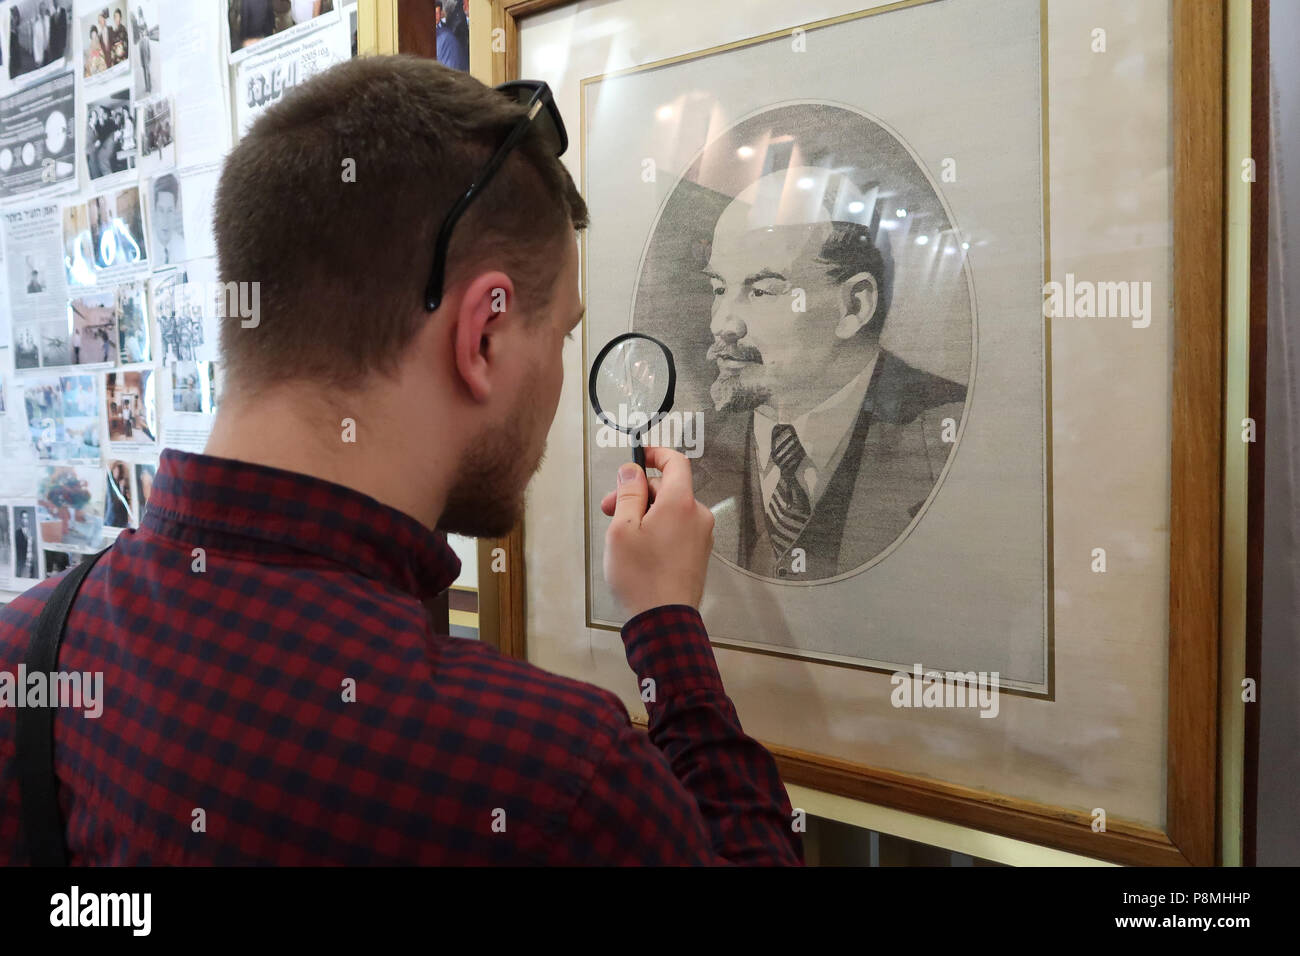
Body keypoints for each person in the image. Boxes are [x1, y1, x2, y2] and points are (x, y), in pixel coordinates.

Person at [0, 56, 800, 866]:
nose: (560, 371)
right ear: (482, 337)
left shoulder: (23, 655)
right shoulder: (556, 784)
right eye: (558, 335)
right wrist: (669, 631)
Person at [693, 166, 966, 580]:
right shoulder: (691, 448)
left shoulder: (956, 437)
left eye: (762, 291)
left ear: (854, 306)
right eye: (718, 289)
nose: (722, 325)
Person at [130, 5, 155, 92]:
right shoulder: (138, 22)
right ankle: (147, 86)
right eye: (138, 11)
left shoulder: (144, 21)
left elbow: (146, 31)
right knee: (144, 66)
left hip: (145, 42)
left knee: (147, 66)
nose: (139, 12)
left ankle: (149, 86)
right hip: (141, 43)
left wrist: (143, 32)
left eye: (140, 11)